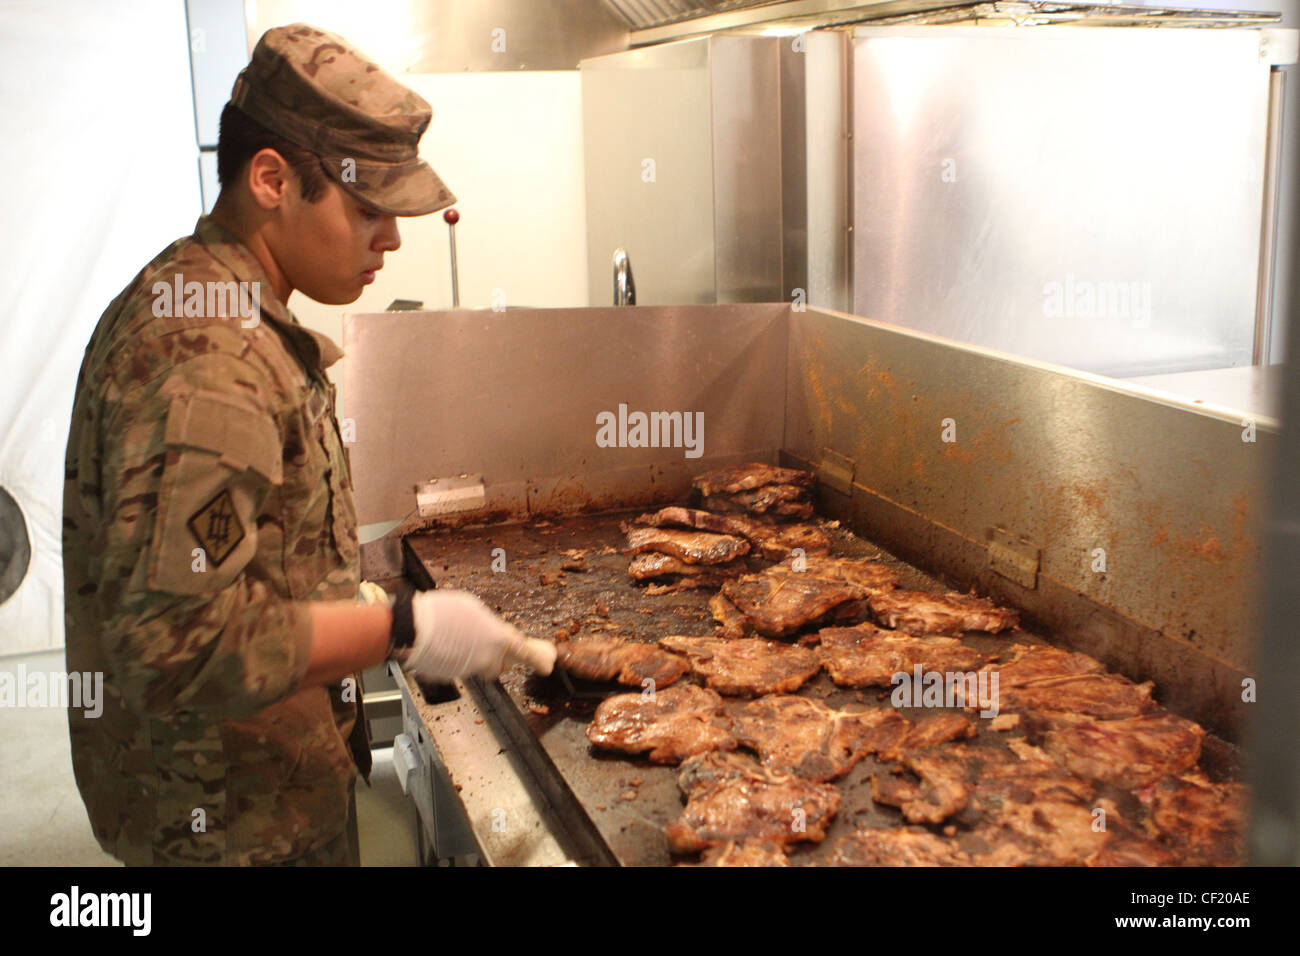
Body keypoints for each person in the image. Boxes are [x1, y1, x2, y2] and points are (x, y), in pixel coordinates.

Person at [61, 23, 551, 867]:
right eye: (368, 210)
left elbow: (225, 562)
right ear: (271, 179)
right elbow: (178, 641)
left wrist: (349, 604)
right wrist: (402, 625)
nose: (391, 240)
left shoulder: (215, 303)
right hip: (226, 818)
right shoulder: (209, 358)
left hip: (253, 786)